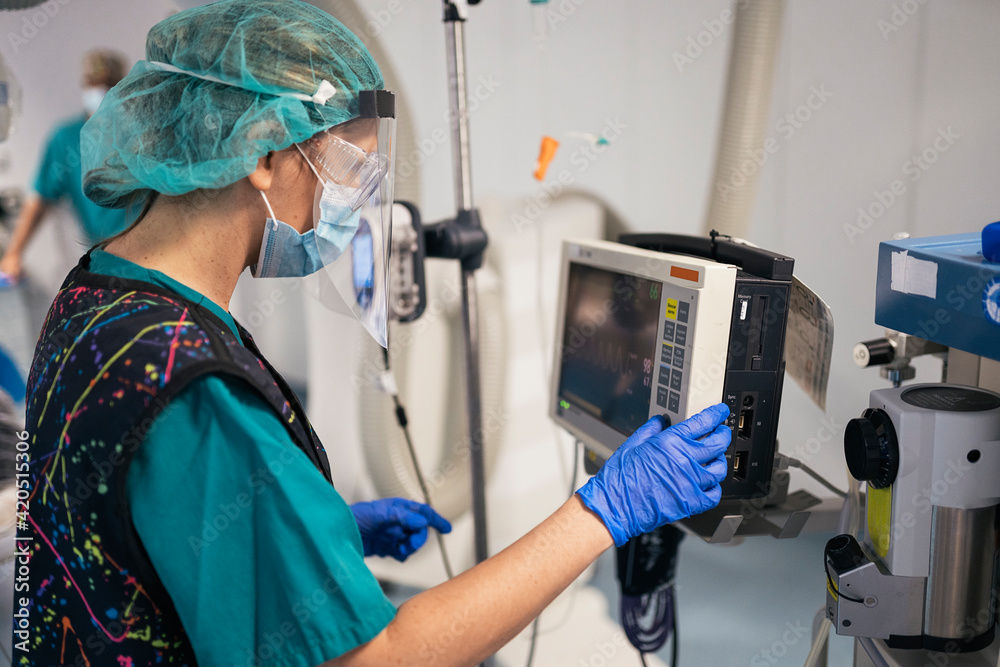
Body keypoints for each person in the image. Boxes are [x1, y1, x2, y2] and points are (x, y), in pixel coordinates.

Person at [20, 2, 732, 666]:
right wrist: (604, 512)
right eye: (350, 167)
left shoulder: (96, 295)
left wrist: (314, 530)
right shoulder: (195, 386)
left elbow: (142, 524)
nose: (356, 200)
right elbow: (379, 657)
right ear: (263, 154)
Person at [0, 49, 129, 284]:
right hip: (102, 263)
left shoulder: (140, 134)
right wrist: (13, 254)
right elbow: (40, 198)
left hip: (155, 256)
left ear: (123, 86)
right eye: (95, 85)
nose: (101, 93)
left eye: (109, 85)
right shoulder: (67, 139)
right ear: (85, 86)